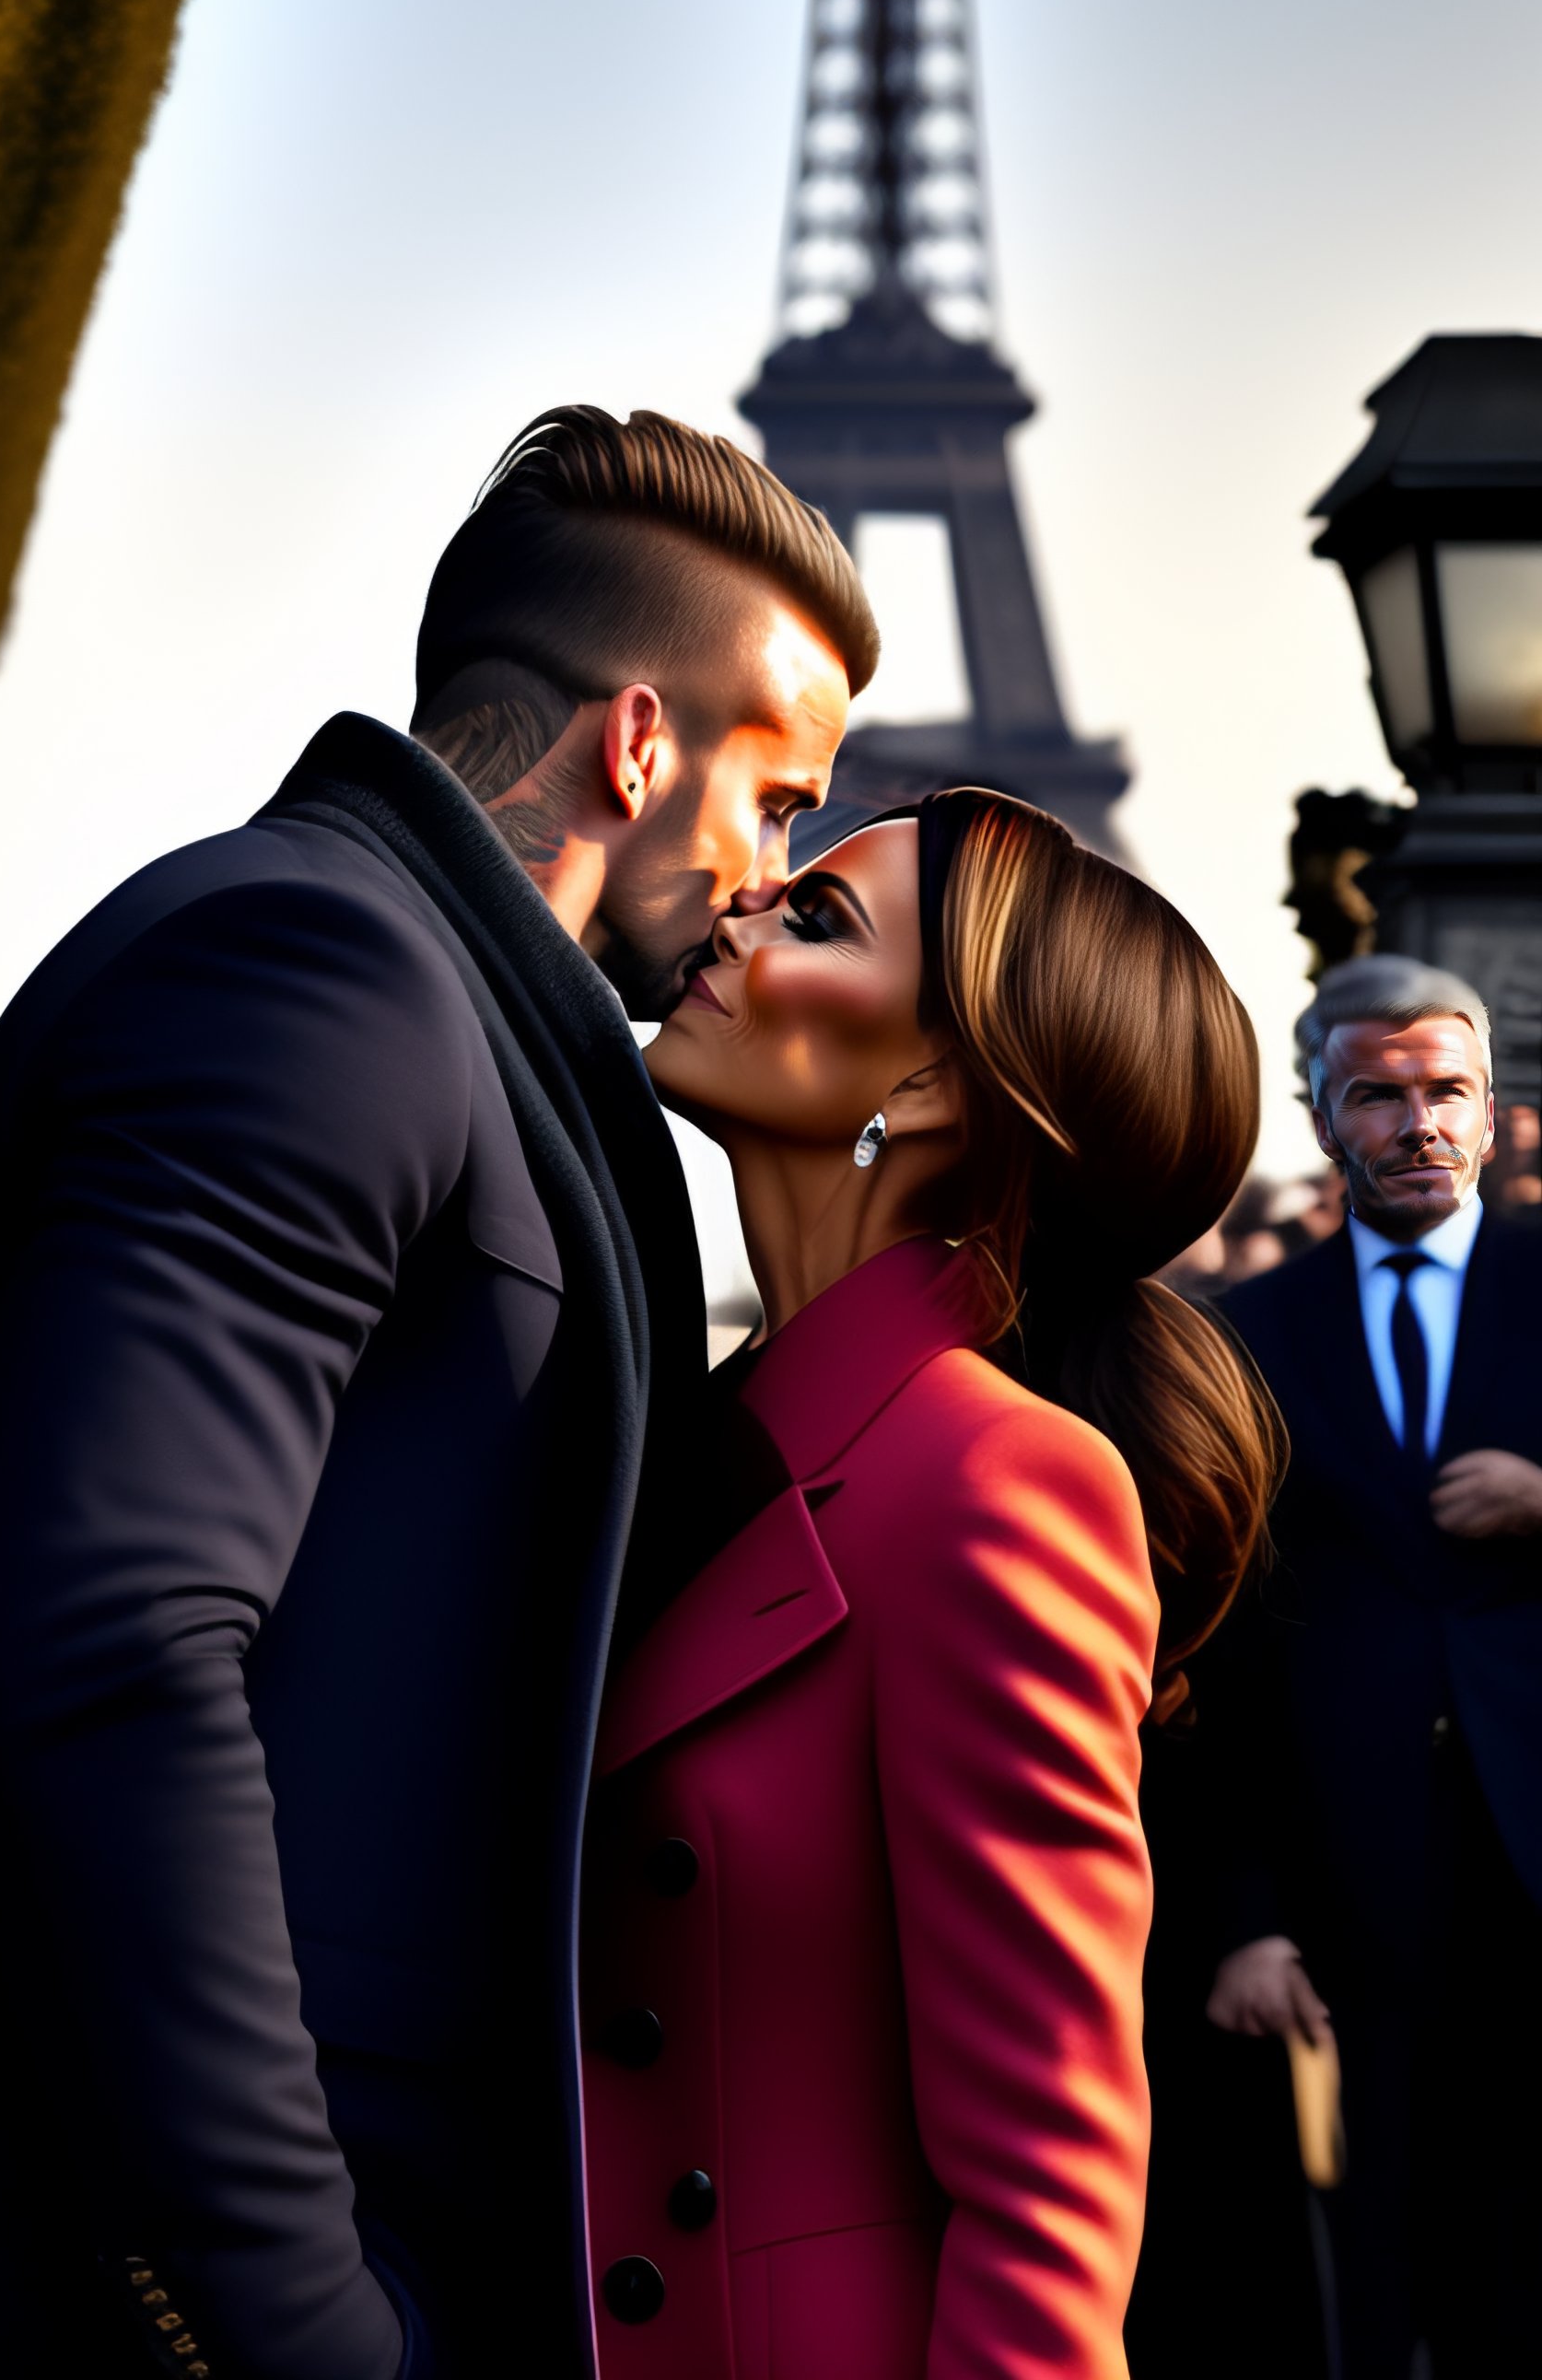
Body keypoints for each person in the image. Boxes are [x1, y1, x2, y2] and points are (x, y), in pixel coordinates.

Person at [0, 406, 873, 2380]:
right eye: (774, 801)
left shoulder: (390, 983)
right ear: (631, 745)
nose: (770, 878)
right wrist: (296, 2319)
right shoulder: (320, 973)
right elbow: (105, 1654)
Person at [579, 790, 1282, 2379]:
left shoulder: (997, 1486)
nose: (741, 906)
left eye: (816, 917)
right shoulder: (683, 1443)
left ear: (934, 1084)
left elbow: (1047, 2198)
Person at [1210, 957, 1541, 2379]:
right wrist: (1241, 1917)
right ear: (1320, 1115)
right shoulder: (1243, 1336)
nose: (1419, 1125)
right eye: (1381, 1095)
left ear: (1492, 1107)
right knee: (1373, 2274)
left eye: (1446, 1092)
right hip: (1348, 1892)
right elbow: (1206, 1651)